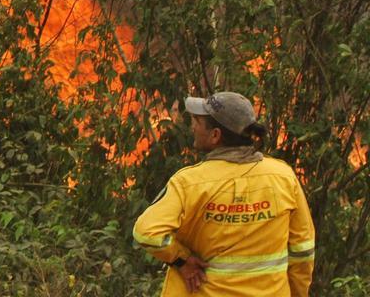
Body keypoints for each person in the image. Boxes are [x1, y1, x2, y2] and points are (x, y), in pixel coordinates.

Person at [133, 91, 316, 296]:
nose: (192, 126)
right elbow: (303, 250)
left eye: (198, 121)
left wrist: (181, 260)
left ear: (215, 135)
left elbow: (146, 233)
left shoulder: (189, 183)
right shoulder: (283, 177)